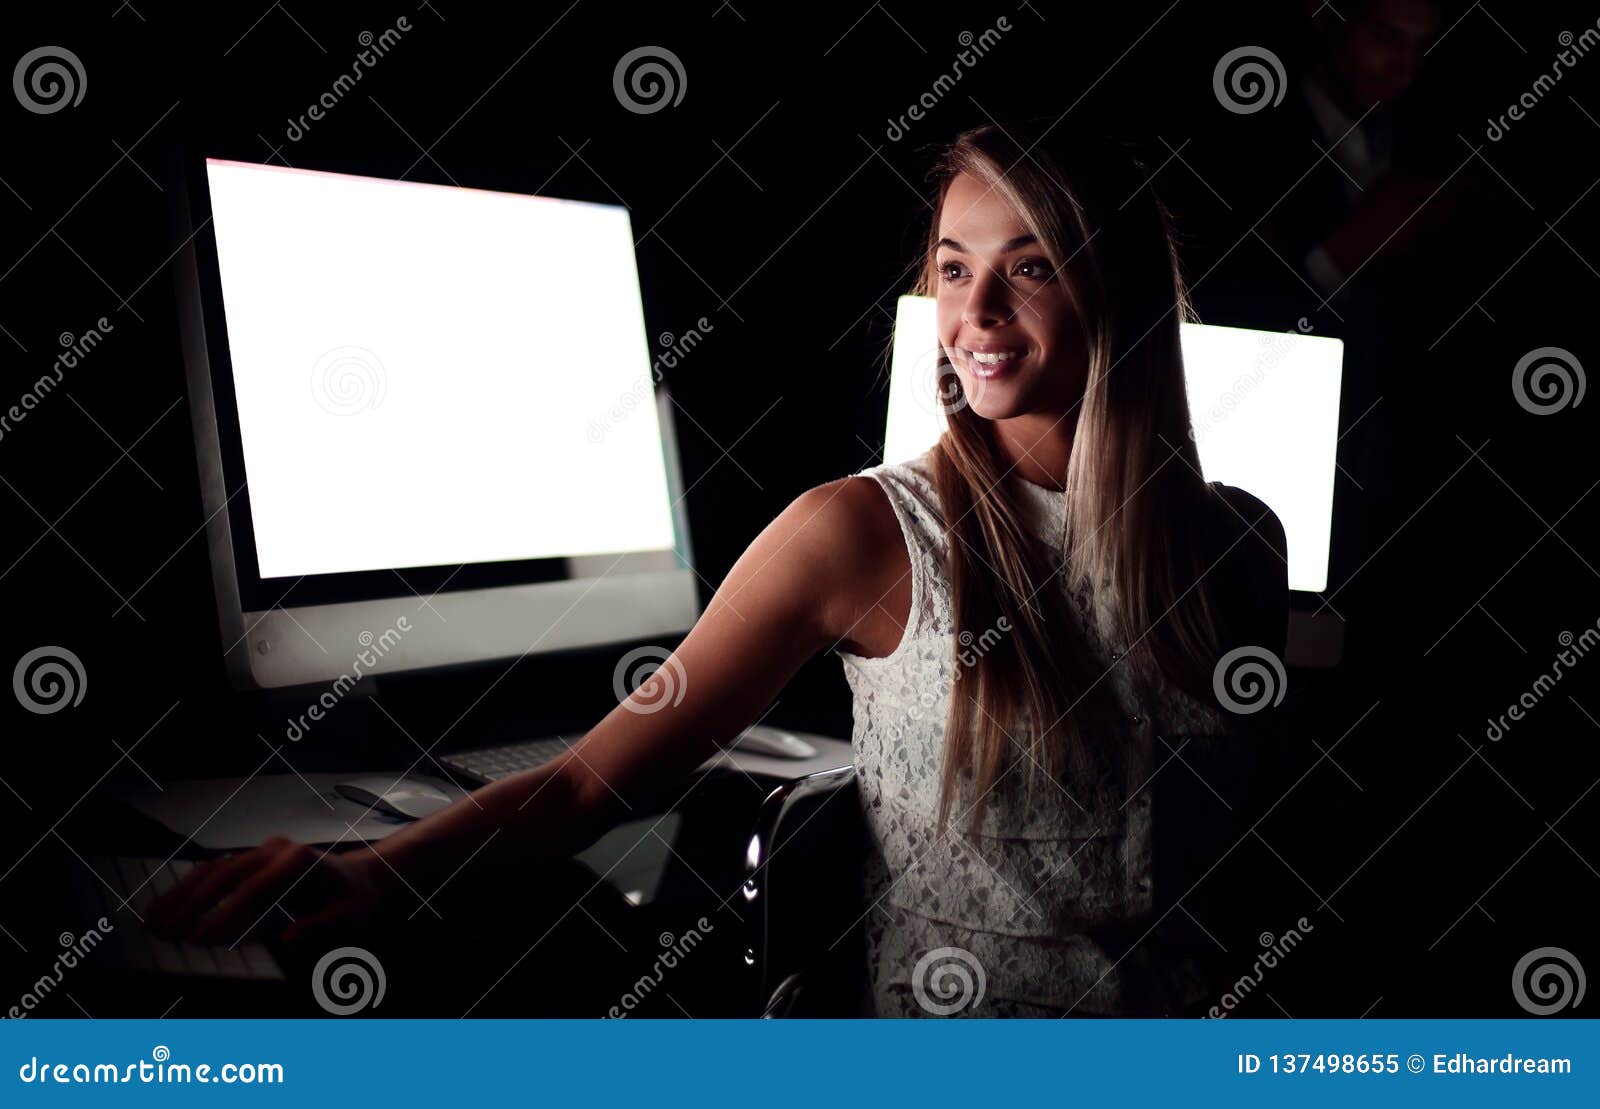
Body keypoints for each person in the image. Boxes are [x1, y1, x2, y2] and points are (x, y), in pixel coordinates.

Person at [149, 117, 1288, 1017]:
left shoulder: (1243, 542)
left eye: (1029, 265)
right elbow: (589, 785)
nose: (974, 311)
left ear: (1117, 287)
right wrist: (380, 869)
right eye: (953, 268)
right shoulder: (861, 532)